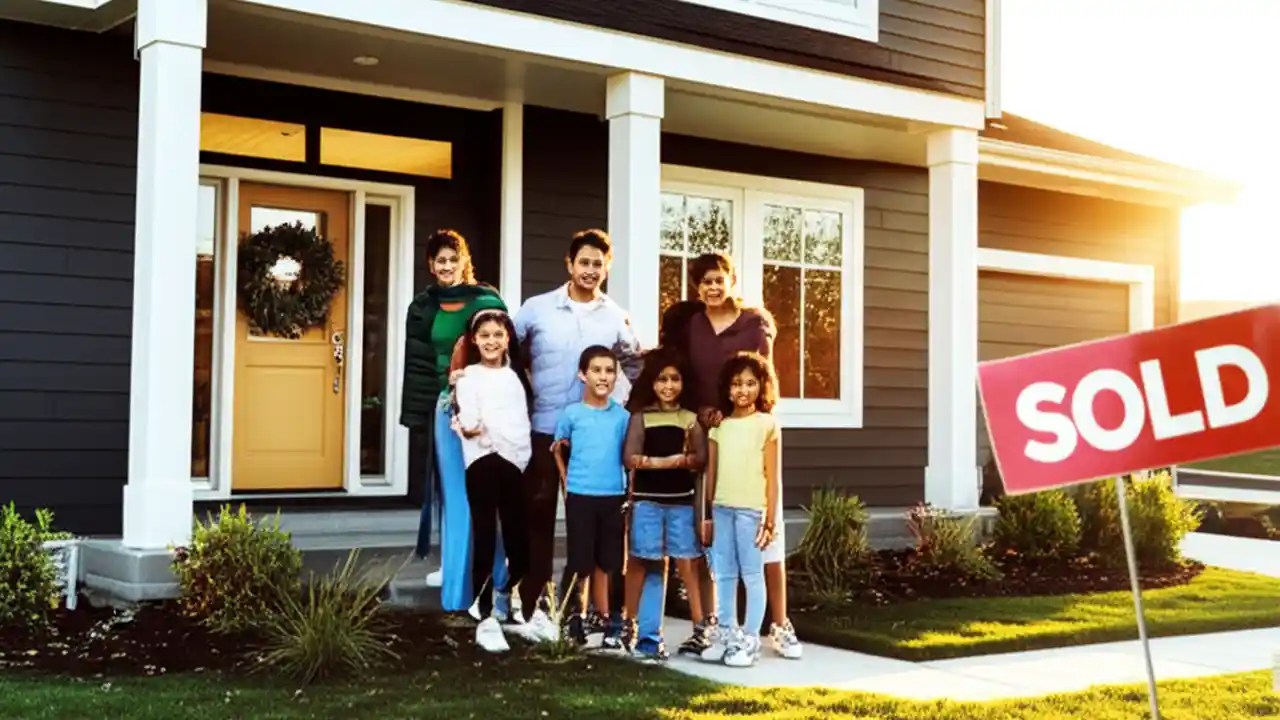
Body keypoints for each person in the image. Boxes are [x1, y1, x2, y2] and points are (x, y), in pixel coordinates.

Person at [663, 252, 803, 660]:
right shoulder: (693, 324)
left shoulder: (755, 322)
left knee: (765, 540)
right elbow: (687, 377)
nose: (712, 287)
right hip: (712, 434)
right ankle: (715, 628)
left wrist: (750, 412)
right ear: (696, 286)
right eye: (704, 281)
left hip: (753, 430)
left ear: (732, 280)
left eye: (719, 279)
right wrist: (702, 413)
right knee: (713, 535)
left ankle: (779, 624)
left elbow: (762, 377)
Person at [513, 229, 643, 624]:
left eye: (598, 265)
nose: (590, 270)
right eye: (583, 262)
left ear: (606, 269)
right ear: (569, 264)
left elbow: (635, 363)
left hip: (595, 439)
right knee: (537, 516)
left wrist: (624, 407)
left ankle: (577, 609)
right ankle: (532, 601)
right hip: (545, 429)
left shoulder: (615, 316)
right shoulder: (536, 310)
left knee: (586, 521)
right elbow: (509, 352)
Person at [399, 230, 510, 614]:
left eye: (453, 259)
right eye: (439, 261)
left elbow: (502, 350)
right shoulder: (422, 307)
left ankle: (497, 582)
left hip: (486, 407)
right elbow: (416, 364)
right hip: (446, 408)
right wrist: (418, 414)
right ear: (431, 266)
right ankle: (461, 594)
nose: (447, 267)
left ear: (465, 261)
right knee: (457, 498)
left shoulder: (486, 300)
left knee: (485, 498)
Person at [452, 308, 558, 651]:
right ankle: (482, 613)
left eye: (497, 334)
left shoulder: (514, 378)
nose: (491, 341)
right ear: (474, 340)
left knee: (518, 536)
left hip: (514, 460)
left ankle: (510, 602)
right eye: (484, 336)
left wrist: (517, 454)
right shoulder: (468, 377)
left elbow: (518, 420)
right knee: (485, 533)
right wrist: (479, 435)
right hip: (482, 460)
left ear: (507, 338)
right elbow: (470, 422)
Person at [621, 347, 708, 661]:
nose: (668, 386)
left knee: (689, 564)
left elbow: (700, 459)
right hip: (647, 503)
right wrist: (670, 462)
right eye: (661, 379)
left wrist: (671, 461)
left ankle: (701, 631)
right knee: (652, 566)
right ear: (651, 382)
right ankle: (646, 636)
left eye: (675, 379)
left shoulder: (690, 419)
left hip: (682, 505)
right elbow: (630, 457)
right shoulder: (641, 417)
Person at [699, 351, 781, 668]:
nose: (743, 390)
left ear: (761, 387)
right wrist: (707, 514)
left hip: (751, 512)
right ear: (727, 388)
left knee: (752, 574)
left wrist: (769, 520)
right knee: (725, 574)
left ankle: (749, 639)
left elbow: (772, 478)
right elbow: (712, 475)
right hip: (722, 509)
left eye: (750, 383)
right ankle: (728, 634)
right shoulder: (720, 426)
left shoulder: (767, 425)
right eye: (736, 384)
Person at [551, 345, 632, 649]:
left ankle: (611, 620)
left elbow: (628, 455)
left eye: (609, 371)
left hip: (612, 495)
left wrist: (628, 491)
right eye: (596, 370)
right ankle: (575, 618)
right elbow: (558, 447)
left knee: (610, 561)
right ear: (582, 374)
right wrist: (566, 480)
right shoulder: (571, 414)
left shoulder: (622, 417)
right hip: (580, 495)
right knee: (580, 559)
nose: (603, 376)